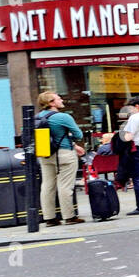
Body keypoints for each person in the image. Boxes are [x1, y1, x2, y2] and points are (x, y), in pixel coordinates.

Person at [34, 90, 85, 226]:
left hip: (45, 154)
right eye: (58, 98)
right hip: (64, 154)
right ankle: (69, 217)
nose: (61, 100)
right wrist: (72, 140)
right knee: (65, 186)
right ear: (51, 103)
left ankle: (50, 218)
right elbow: (79, 135)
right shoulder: (63, 117)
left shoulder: (37, 117)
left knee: (47, 186)